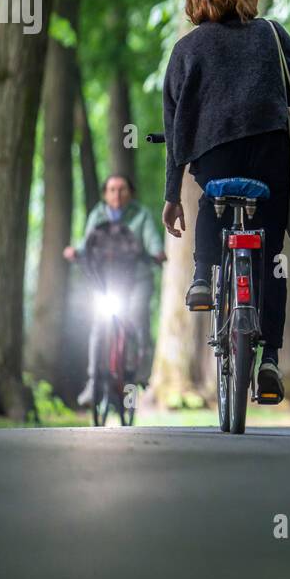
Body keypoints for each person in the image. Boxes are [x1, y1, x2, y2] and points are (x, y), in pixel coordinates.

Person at [160, 0, 290, 405]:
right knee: (271, 254)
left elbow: (175, 129)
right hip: (271, 153)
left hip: (215, 154)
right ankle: (269, 358)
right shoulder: (271, 34)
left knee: (214, 199)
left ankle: (200, 278)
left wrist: (172, 194)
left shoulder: (187, 49)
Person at [65, 174, 166, 406]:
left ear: (130, 193)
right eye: (111, 190)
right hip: (106, 282)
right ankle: (93, 384)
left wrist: (157, 252)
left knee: (137, 317)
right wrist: (75, 252)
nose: (117, 194)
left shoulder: (141, 215)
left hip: (136, 279)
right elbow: (86, 242)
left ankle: (140, 371)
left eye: (122, 189)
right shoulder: (97, 215)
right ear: (105, 194)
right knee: (99, 325)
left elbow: (152, 240)